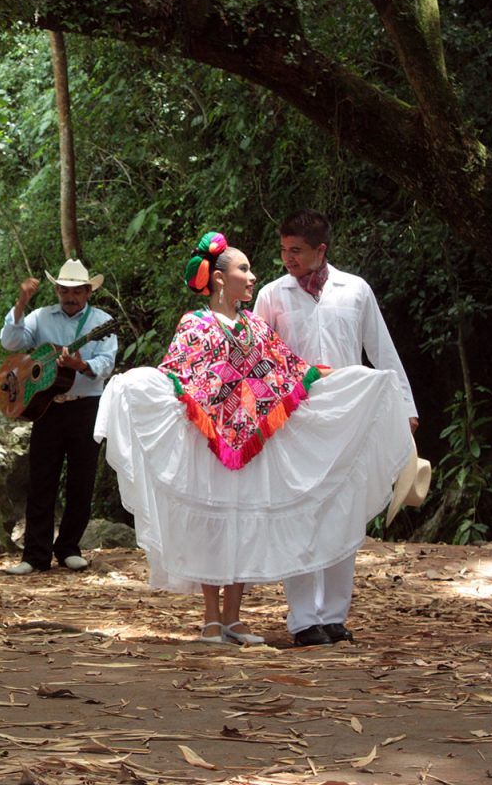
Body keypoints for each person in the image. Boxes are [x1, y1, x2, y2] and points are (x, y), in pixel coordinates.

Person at [94, 231, 413, 644]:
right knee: (213, 527)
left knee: (243, 524)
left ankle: (233, 617)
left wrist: (348, 382)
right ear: (221, 278)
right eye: (244, 269)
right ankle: (211, 617)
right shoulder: (196, 324)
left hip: (249, 446)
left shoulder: (254, 328)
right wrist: (137, 388)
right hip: (207, 443)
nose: (252, 276)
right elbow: (179, 374)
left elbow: (289, 374)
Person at [254, 209, 419, 646]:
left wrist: (405, 407)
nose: (288, 258)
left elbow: (380, 350)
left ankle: (334, 615)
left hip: (349, 418)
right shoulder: (272, 295)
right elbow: (257, 361)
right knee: (299, 515)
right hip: (294, 420)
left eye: (297, 251)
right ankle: (304, 619)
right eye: (284, 249)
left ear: (320, 250)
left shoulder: (355, 290)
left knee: (343, 513)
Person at [0, 259, 117, 575]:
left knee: (82, 479)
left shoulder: (101, 321)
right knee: (41, 479)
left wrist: (83, 366)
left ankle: (68, 549)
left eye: (77, 290)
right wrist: (21, 303)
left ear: (87, 292)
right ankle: (34, 556)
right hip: (47, 407)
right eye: (64, 290)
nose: (70, 296)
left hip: (86, 407)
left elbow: (107, 361)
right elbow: (10, 342)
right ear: (56, 290)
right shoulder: (39, 318)